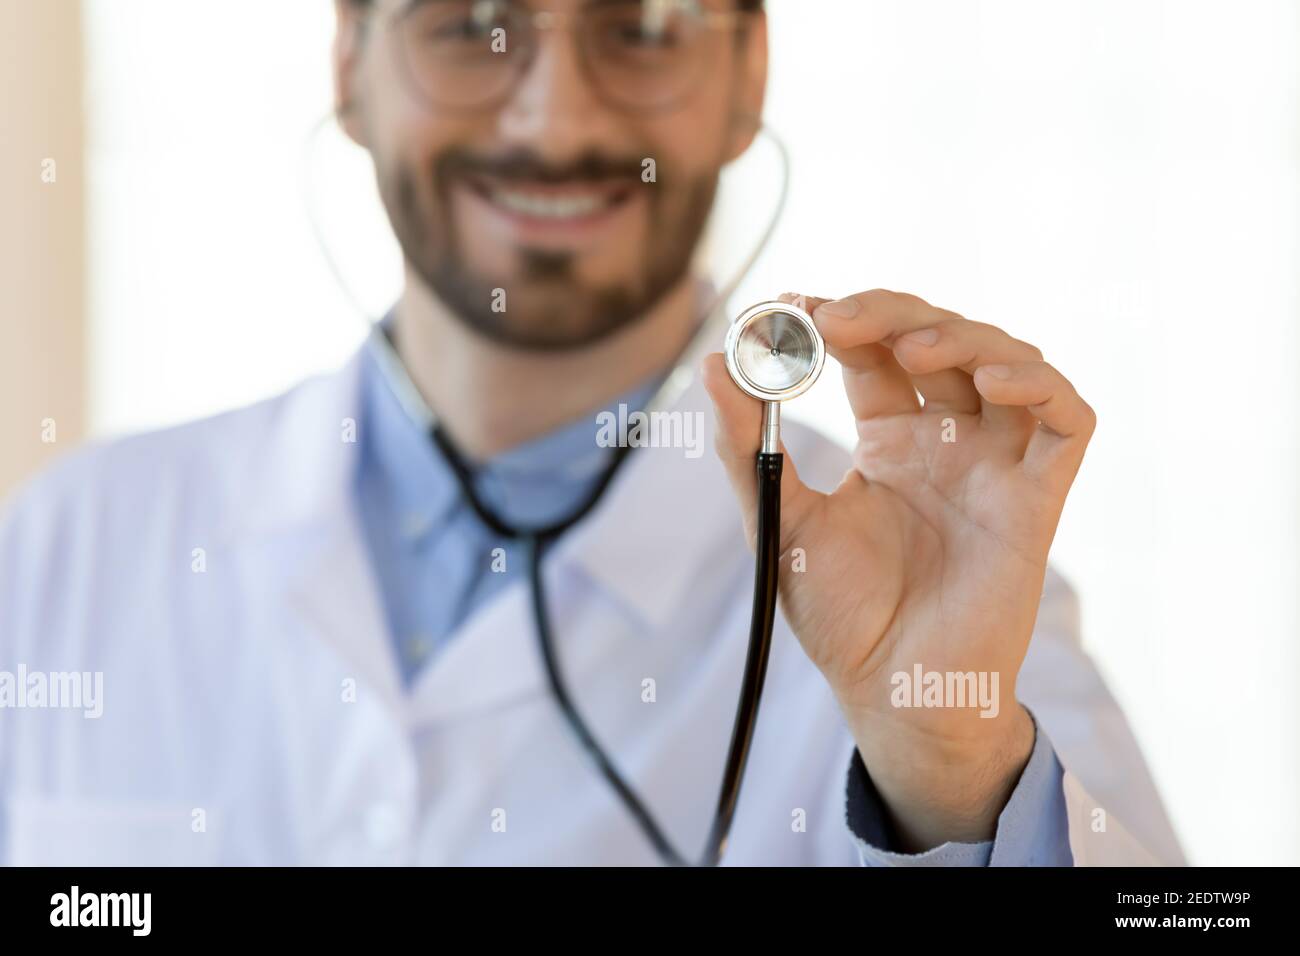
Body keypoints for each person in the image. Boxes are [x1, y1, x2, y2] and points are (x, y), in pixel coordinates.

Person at [0, 0, 1182, 865]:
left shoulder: (953, 610)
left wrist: (948, 770)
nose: (557, 117)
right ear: (349, 64)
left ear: (748, 71)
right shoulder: (69, 546)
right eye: (470, 25)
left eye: (644, 26)